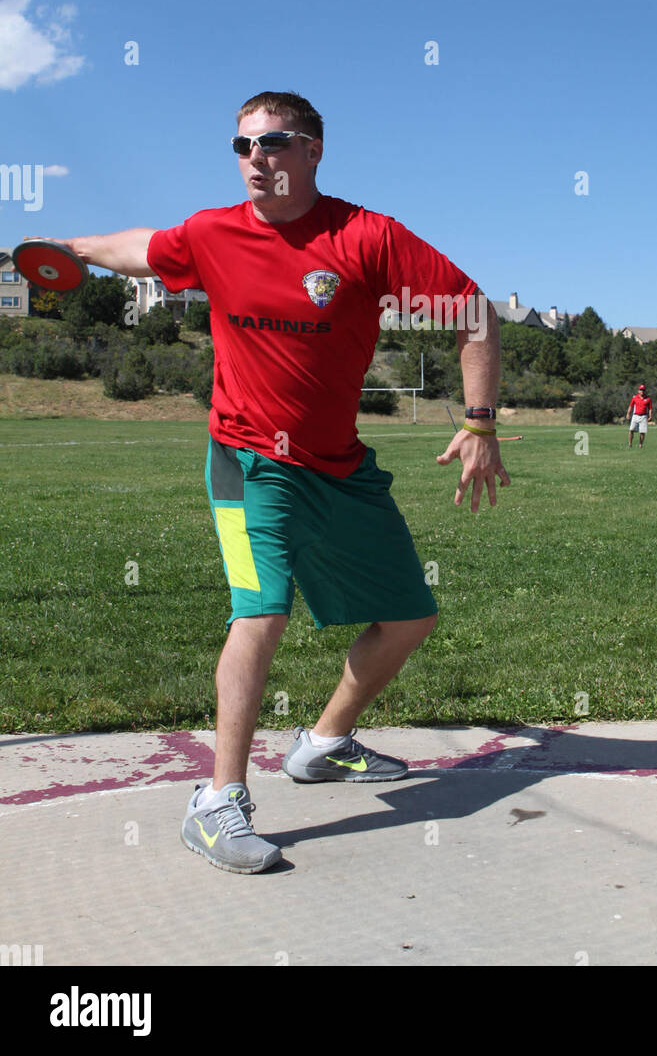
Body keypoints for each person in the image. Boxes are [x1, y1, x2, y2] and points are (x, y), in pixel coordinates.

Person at [52, 90, 509, 874]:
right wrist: (75, 246)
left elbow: (474, 314)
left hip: (337, 466)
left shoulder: (367, 237)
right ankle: (217, 803)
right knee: (260, 612)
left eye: (273, 142)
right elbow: (139, 247)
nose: (255, 158)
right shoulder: (211, 233)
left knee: (406, 617)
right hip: (247, 458)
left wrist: (478, 422)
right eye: (242, 145)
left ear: (314, 151)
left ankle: (323, 745)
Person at [626, 382, 653, 448]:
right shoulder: (635, 398)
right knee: (631, 430)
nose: (642, 391)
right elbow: (630, 406)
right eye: (641, 390)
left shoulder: (648, 399)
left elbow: (650, 408)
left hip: (643, 416)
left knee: (642, 432)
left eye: (643, 390)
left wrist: (650, 416)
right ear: (638, 391)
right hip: (635, 415)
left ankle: (640, 445)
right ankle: (630, 444)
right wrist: (628, 414)